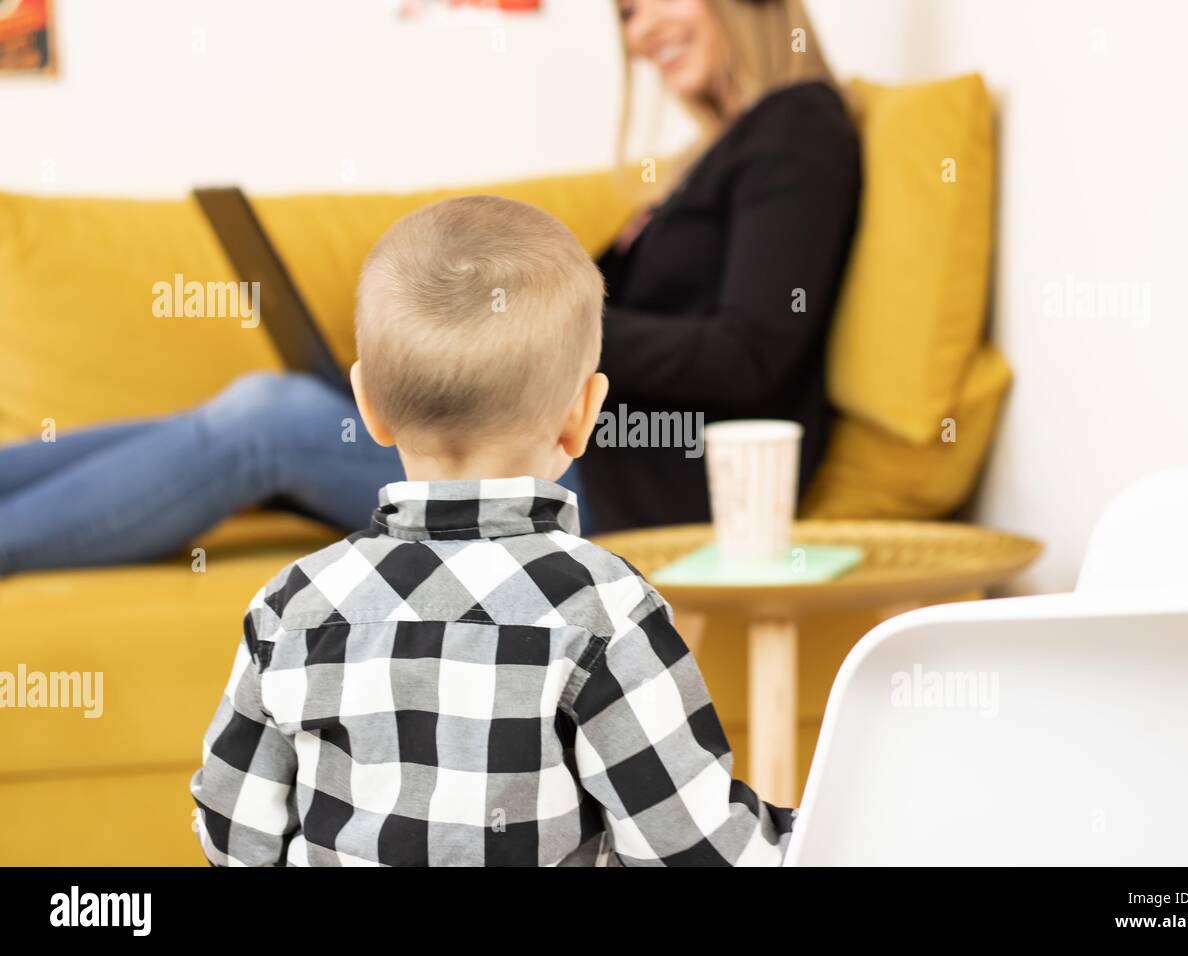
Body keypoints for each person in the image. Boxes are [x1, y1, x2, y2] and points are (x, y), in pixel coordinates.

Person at [0, 0, 859, 571]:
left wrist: (535, 327)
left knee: (265, 419)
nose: (636, 32)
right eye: (625, 12)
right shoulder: (717, 154)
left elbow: (749, 354)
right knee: (251, 407)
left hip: (630, 488)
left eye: (650, 2)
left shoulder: (798, 129)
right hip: (551, 447)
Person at [189, 196, 793, 867]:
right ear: (583, 414)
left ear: (369, 406)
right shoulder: (604, 608)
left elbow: (233, 836)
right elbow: (693, 848)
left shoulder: (291, 603)